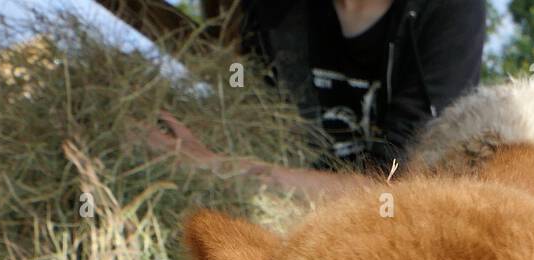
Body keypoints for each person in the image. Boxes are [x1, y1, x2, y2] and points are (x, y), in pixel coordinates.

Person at [145, 0, 486, 198]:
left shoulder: (450, 12)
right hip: (286, 208)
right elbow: (250, 112)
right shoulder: (272, 9)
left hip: (386, 242)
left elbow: (398, 188)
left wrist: (217, 167)